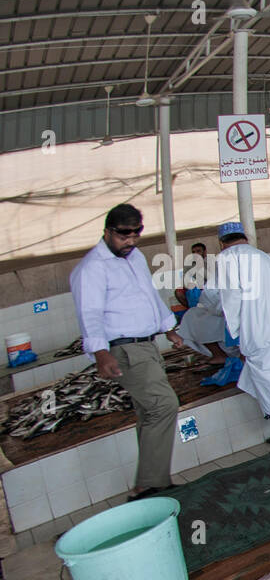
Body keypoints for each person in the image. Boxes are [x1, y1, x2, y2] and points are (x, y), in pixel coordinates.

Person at [70, 204, 184, 500]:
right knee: (164, 404)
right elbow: (89, 313)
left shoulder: (136, 257)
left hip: (145, 344)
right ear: (107, 231)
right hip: (123, 349)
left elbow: (149, 295)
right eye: (123, 236)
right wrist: (100, 353)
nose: (130, 242)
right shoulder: (92, 267)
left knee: (150, 412)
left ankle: (151, 483)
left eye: (136, 235)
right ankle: (148, 483)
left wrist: (168, 327)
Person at [210, 223, 270, 449]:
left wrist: (231, 330)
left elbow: (230, 299)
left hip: (258, 328)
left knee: (269, 378)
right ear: (244, 237)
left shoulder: (228, 258)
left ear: (222, 243)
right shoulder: (264, 257)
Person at [174, 241, 229, 365]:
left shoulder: (212, 262)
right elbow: (186, 282)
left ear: (204, 252)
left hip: (214, 296)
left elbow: (212, 281)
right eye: (193, 252)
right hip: (199, 297)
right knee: (182, 296)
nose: (195, 254)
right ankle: (193, 310)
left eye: (198, 251)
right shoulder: (189, 266)